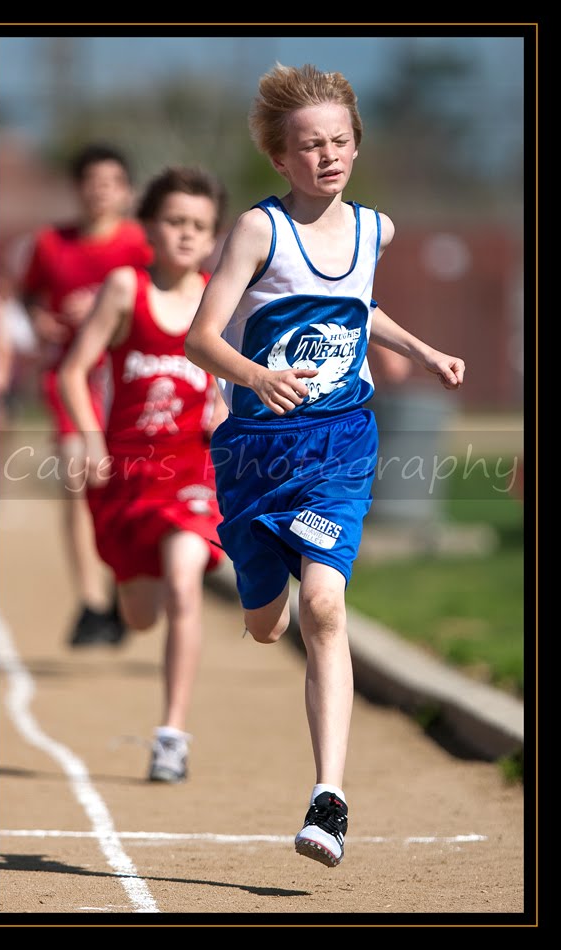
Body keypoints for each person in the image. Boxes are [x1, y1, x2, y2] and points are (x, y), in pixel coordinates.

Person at [184, 63, 465, 867]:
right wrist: (255, 376)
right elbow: (200, 338)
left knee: (325, 606)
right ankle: (258, 576)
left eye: (340, 141)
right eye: (310, 146)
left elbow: (360, 306)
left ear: (356, 146)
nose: (328, 156)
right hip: (256, 453)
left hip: (339, 443)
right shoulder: (257, 232)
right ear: (280, 157)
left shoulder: (375, 229)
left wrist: (422, 350)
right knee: (268, 625)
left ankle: (328, 799)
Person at [59, 166, 228, 782]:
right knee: (140, 615)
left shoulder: (218, 297)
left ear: (213, 237)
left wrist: (224, 403)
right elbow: (73, 370)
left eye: (199, 226)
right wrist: (89, 435)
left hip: (192, 470)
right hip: (128, 474)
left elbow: (238, 374)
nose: (186, 234)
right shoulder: (125, 288)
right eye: (175, 221)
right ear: (149, 228)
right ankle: (127, 591)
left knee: (185, 584)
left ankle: (171, 735)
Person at [20, 143, 153, 646]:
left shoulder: (142, 244)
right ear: (77, 189)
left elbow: (165, 296)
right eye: (92, 183)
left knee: (128, 488)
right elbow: (30, 297)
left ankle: (124, 587)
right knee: (79, 482)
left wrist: (103, 308)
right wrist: (40, 319)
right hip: (71, 380)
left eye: (111, 183)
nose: (101, 192)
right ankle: (92, 601)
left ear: (127, 191)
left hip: (129, 382)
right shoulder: (50, 243)